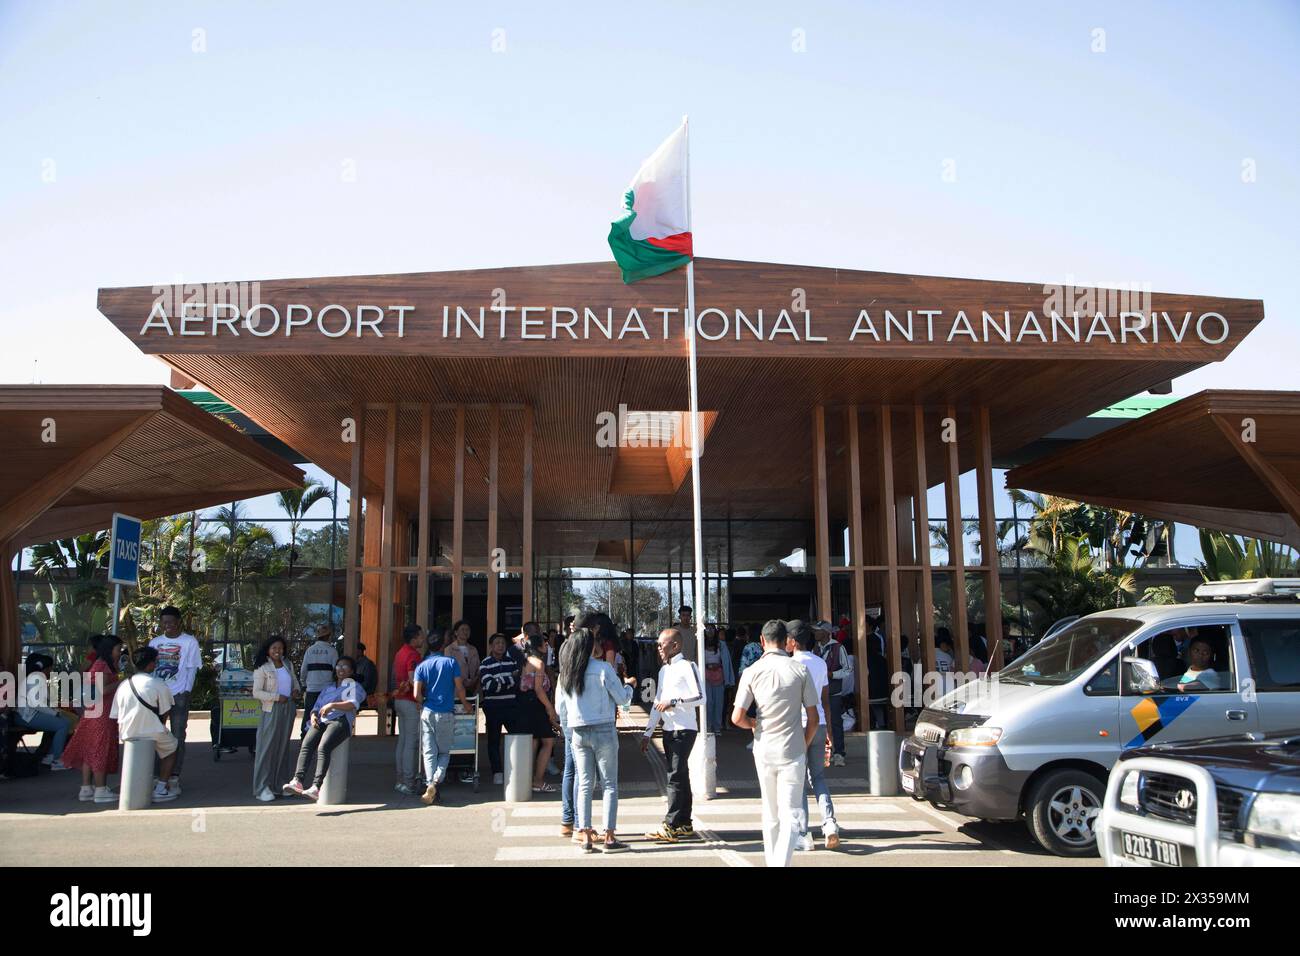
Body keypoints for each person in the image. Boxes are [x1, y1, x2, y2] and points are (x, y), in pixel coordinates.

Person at [731, 619, 820, 868]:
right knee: (791, 814)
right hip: (792, 749)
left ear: (761, 641)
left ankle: (773, 862)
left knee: (770, 813)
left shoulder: (751, 671)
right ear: (787, 642)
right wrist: (804, 743)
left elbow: (736, 717)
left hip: (763, 747)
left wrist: (753, 724)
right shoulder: (799, 671)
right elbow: (813, 718)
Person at [555, 625, 637, 853]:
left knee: (584, 784)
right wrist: (629, 687)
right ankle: (609, 837)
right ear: (591, 647)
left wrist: (567, 733)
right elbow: (622, 700)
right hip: (603, 730)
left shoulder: (566, 674)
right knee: (609, 784)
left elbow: (560, 708)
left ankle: (585, 836)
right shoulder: (603, 669)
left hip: (578, 732)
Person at [642, 627, 705, 843]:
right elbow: (657, 703)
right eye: (658, 645)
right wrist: (648, 732)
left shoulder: (688, 666)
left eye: (662, 644)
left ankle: (671, 825)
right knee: (680, 775)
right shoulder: (663, 671)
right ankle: (684, 823)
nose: (659, 648)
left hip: (685, 729)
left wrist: (675, 702)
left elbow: (700, 697)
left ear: (675, 645)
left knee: (674, 776)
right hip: (668, 730)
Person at [787, 621, 840, 850]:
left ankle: (803, 833)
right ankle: (829, 824)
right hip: (820, 723)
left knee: (798, 781)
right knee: (818, 777)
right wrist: (829, 730)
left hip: (798, 724)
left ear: (793, 641)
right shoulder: (819, 663)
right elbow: (825, 699)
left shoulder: (789, 664)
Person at [283, 657, 365, 800]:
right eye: (339, 666)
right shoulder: (328, 687)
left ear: (351, 671)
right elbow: (317, 706)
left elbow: (352, 704)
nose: (341, 669)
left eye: (345, 667)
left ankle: (316, 787)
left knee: (323, 746)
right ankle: (297, 781)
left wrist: (332, 705)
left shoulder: (354, 686)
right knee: (307, 744)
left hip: (340, 721)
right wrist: (314, 715)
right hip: (321, 720)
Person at [110, 645, 179, 803]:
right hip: (153, 730)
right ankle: (161, 788)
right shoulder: (158, 684)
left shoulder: (123, 685)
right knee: (172, 748)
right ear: (151, 664)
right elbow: (165, 711)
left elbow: (115, 713)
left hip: (128, 732)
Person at [412, 630, 471, 805]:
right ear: (443, 646)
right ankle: (436, 781)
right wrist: (466, 704)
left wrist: (423, 702)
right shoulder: (451, 662)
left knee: (429, 751)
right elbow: (459, 688)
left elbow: (416, 693)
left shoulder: (421, 666)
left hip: (427, 711)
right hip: (445, 711)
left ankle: (429, 783)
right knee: (444, 751)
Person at [62, 635, 124, 801]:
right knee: (100, 750)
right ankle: (101, 789)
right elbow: (102, 690)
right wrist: (122, 681)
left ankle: (86, 788)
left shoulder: (99, 664)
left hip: (93, 712)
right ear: (110, 649)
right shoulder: (103, 665)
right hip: (101, 714)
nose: (120, 653)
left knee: (90, 749)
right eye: (118, 649)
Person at [148, 606, 201, 789]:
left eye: (171, 622)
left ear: (179, 622)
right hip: (157, 695)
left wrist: (186, 691)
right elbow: (150, 669)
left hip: (179, 694)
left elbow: (192, 668)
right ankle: (156, 773)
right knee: (155, 733)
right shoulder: (155, 643)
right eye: (164, 622)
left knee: (178, 734)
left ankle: (174, 774)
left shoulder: (189, 642)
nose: (167, 625)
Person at [250, 635, 301, 802]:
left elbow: (294, 681)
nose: (277, 651)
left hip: (288, 707)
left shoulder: (288, 664)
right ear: (268, 650)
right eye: (274, 648)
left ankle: (280, 784)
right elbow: (256, 692)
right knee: (266, 749)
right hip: (271, 709)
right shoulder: (262, 668)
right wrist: (276, 697)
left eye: (280, 648)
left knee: (283, 747)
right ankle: (262, 788)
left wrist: (296, 690)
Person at [518, 631, 560, 793]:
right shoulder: (539, 663)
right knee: (548, 741)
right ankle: (538, 780)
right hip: (536, 705)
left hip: (524, 705)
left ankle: (526, 779)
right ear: (538, 647)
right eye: (544, 643)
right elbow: (538, 689)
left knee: (534, 742)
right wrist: (550, 707)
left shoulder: (524, 661)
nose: (547, 645)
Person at [14, 653, 72, 771]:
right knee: (63, 724)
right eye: (51, 668)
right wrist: (54, 713)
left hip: (30, 714)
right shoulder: (36, 679)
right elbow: (36, 704)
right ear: (46, 668)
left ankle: (50, 756)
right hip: (26, 716)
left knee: (64, 721)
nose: (52, 671)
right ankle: (57, 760)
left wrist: (54, 711)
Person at [480, 631, 521, 786]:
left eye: (503, 643)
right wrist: (510, 678)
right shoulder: (485, 663)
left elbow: (518, 682)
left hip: (510, 706)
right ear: (491, 646)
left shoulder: (511, 662)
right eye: (497, 643)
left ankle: (514, 769)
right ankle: (497, 771)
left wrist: (502, 681)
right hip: (493, 708)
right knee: (493, 740)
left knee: (515, 738)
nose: (501, 646)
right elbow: (489, 686)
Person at [392, 624, 426, 795]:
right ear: (414, 638)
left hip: (400, 700)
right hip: (410, 702)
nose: (423, 638)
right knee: (411, 743)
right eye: (420, 636)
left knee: (403, 741)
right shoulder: (413, 654)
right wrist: (420, 696)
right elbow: (414, 679)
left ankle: (400, 780)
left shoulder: (400, 652)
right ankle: (408, 781)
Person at [815, 621, 848, 766]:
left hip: (834, 692)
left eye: (818, 630)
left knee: (835, 723)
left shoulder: (838, 647)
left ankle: (839, 753)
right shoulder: (815, 648)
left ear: (827, 633)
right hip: (819, 693)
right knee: (820, 723)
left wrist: (832, 674)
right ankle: (826, 754)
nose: (815, 633)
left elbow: (848, 670)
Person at [299, 623, 339, 734]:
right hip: (326, 688)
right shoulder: (332, 651)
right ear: (329, 636)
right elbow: (336, 670)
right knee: (325, 714)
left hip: (311, 687)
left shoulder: (310, 650)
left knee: (309, 713)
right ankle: (321, 736)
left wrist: (304, 684)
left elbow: (303, 670)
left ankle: (305, 736)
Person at [703, 626, 736, 733]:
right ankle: (708, 726)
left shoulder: (721, 645)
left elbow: (726, 662)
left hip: (719, 676)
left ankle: (717, 727)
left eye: (712, 629)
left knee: (719, 703)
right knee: (708, 703)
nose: (710, 631)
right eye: (707, 629)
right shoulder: (700, 644)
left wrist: (728, 677)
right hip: (705, 677)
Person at [445, 620, 481, 696]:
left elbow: (478, 668)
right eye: (462, 629)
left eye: (467, 629)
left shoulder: (473, 649)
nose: (465, 632)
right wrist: (461, 681)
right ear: (456, 632)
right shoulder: (449, 649)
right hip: (455, 690)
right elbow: (448, 670)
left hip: (472, 689)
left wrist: (474, 681)